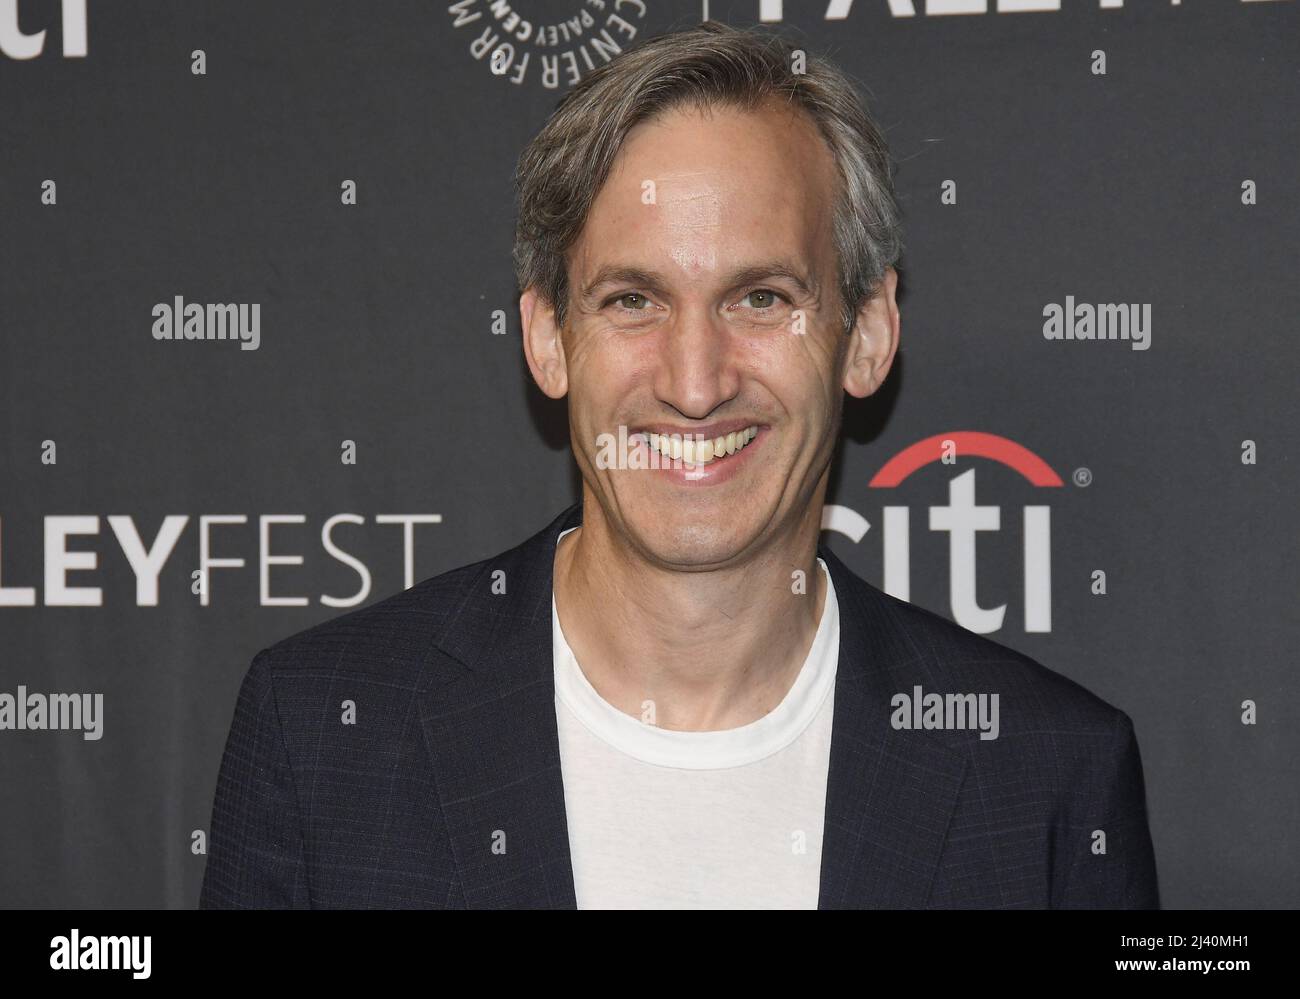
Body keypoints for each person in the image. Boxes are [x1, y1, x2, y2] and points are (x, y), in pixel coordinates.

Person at [199, 20, 1158, 909]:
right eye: (632, 300)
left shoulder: (1046, 775)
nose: (696, 384)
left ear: (867, 335)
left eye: (761, 297)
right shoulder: (323, 736)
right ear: (547, 337)